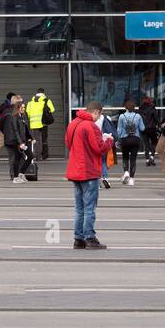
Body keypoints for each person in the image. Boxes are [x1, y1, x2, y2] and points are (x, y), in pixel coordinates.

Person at [65, 102, 109, 249]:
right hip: (88, 171)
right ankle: (90, 237)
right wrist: (109, 141)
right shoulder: (90, 126)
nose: (99, 118)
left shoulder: (73, 123)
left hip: (75, 170)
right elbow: (99, 148)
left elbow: (68, 144)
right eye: (99, 115)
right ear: (96, 112)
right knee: (90, 207)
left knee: (79, 208)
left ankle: (79, 239)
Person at [2, 94, 32, 184]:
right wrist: (20, 142)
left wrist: (31, 137)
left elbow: (25, 128)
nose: (24, 109)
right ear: (18, 107)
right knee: (16, 158)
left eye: (24, 107)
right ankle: (15, 177)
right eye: (22, 107)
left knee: (27, 156)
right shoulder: (14, 117)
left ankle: (20, 174)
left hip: (21, 140)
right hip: (16, 141)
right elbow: (15, 131)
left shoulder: (22, 116)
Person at [117, 99, 144, 186]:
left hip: (125, 140)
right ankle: (131, 179)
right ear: (134, 107)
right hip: (135, 139)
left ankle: (126, 172)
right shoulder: (138, 116)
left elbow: (119, 130)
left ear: (126, 107)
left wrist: (118, 140)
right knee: (133, 159)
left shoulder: (122, 116)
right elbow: (142, 128)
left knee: (125, 157)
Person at [26, 89, 56, 161]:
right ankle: (44, 155)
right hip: (44, 123)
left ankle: (38, 156)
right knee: (44, 139)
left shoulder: (30, 103)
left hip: (34, 124)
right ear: (43, 93)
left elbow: (28, 112)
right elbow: (52, 110)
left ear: (36, 94)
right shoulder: (47, 101)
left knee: (36, 140)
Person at [94, 106, 116, 189]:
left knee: (95, 162)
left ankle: (98, 182)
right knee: (103, 161)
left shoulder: (92, 120)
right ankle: (105, 178)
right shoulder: (105, 118)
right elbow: (111, 130)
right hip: (104, 141)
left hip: (95, 142)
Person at [140, 95, 160, 166]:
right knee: (154, 143)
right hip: (152, 128)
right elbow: (156, 119)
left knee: (146, 145)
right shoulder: (153, 109)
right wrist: (159, 126)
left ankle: (147, 160)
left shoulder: (141, 109)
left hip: (143, 129)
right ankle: (152, 156)